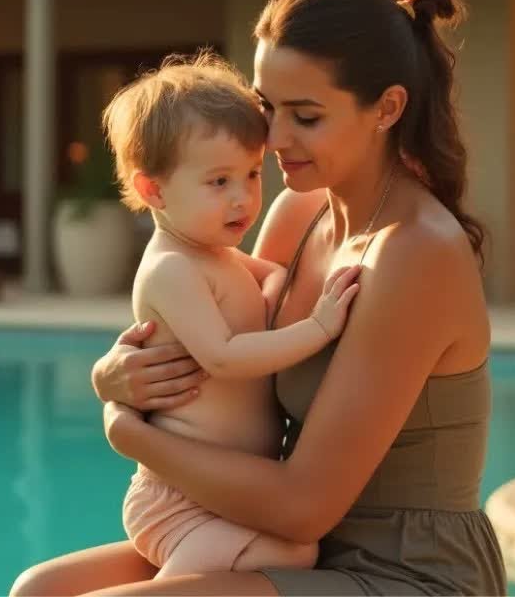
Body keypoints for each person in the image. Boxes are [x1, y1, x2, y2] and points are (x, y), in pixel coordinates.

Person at [10, 0, 507, 596]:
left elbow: (304, 508)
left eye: (306, 116)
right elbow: (222, 351)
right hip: (279, 541)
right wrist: (114, 377)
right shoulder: (298, 214)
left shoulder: (416, 251)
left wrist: (126, 431)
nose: (272, 138)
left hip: (405, 571)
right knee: (38, 589)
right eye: (267, 107)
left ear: (386, 108)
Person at [99, 53, 362, 579]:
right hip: (178, 497)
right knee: (294, 554)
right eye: (219, 182)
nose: (243, 198)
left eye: (251, 174)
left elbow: (275, 276)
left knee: (295, 551)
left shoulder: (214, 255)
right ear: (153, 190)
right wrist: (317, 328)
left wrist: (276, 292)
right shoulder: (172, 268)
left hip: (223, 494)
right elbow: (223, 356)